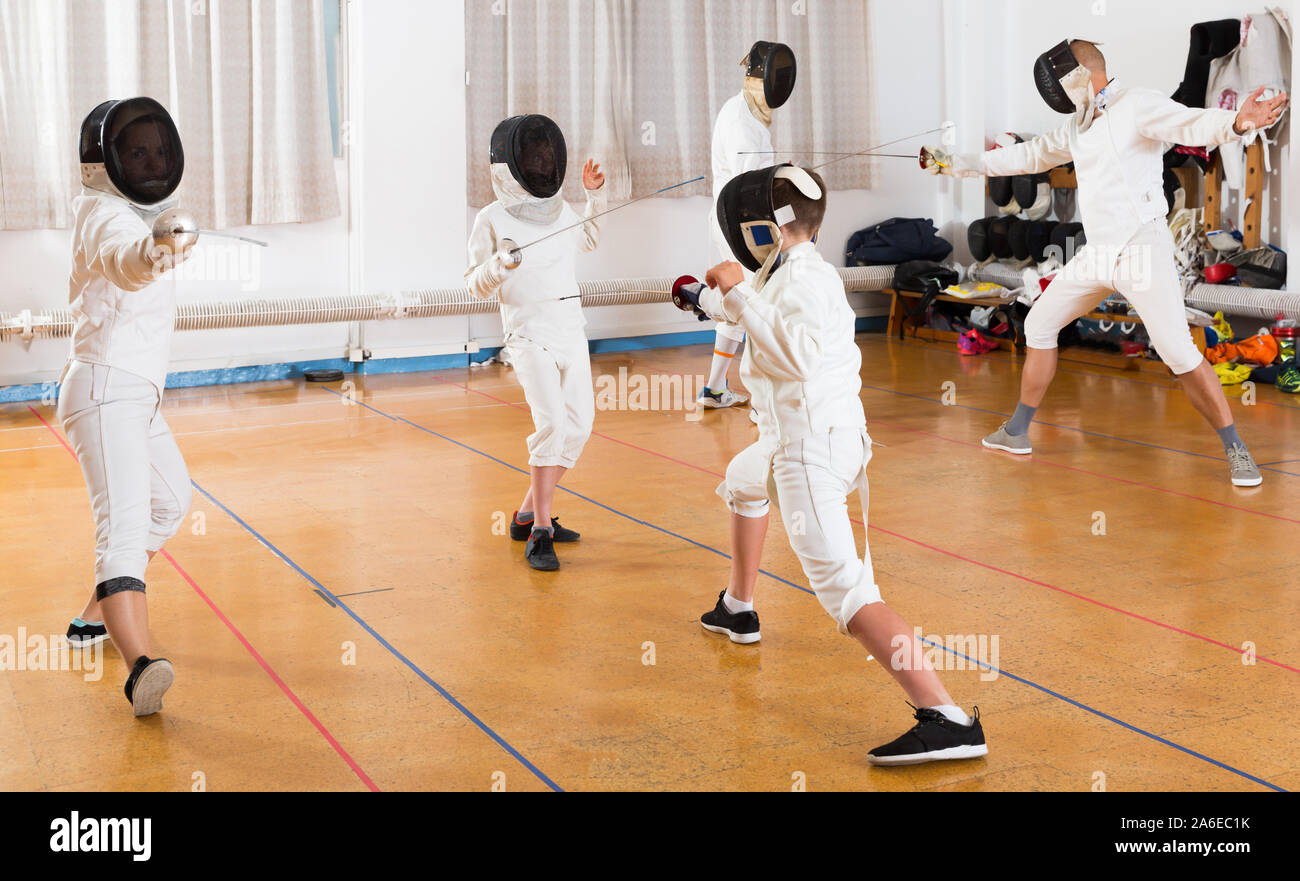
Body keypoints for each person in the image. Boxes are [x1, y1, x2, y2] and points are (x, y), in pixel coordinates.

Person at [678, 163, 988, 765]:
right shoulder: (789, 271)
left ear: (764, 228)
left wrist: (737, 295)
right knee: (744, 482)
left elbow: (792, 352)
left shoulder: (802, 283)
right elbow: (765, 319)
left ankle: (948, 718)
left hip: (810, 450)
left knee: (847, 591)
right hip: (805, 436)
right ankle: (738, 608)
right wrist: (709, 299)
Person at [922, 40, 1288, 486]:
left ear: (1084, 76)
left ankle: (1236, 449)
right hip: (1097, 255)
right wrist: (952, 164)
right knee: (1039, 324)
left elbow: (1190, 123)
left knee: (1178, 352)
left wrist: (1236, 121)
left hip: (1141, 249)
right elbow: (1025, 155)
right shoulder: (1078, 126)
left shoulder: (1137, 104)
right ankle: (1017, 430)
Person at [60, 97, 197, 716]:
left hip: (137, 396)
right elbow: (126, 262)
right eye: (134, 151)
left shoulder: (146, 216)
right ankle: (140, 665)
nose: (149, 160)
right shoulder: (102, 215)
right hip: (103, 390)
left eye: (155, 150)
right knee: (123, 529)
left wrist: (162, 238)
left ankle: (94, 617)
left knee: (171, 503)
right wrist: (156, 251)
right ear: (105, 158)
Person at [466, 114, 605, 571]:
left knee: (579, 427)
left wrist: (592, 195)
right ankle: (541, 529)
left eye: (545, 155)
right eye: (533, 156)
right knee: (551, 427)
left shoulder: (561, 208)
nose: (542, 162)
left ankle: (526, 514)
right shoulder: (490, 218)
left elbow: (590, 239)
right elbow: (474, 285)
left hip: (570, 327)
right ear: (510, 164)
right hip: (528, 336)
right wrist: (500, 266)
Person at [701, 40, 797, 410]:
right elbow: (750, 190)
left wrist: (776, 175)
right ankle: (762, 402)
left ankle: (714, 389)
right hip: (742, 225)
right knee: (759, 303)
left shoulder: (742, 109)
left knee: (740, 300)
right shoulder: (743, 123)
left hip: (734, 219)